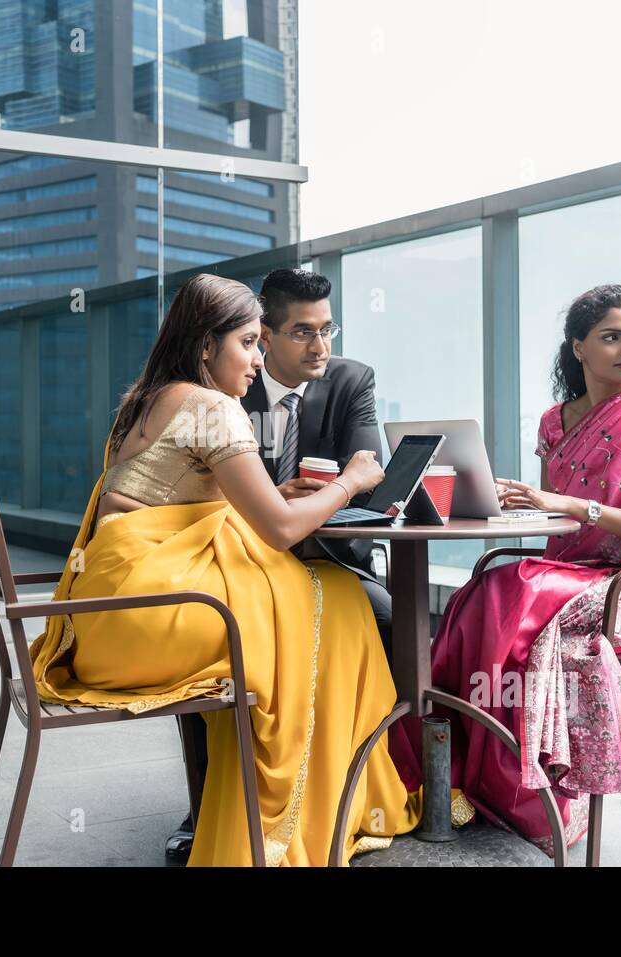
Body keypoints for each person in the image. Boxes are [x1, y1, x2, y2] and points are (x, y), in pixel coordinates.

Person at [28, 273, 422, 866]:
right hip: (152, 618)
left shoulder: (147, 397)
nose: (260, 361)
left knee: (318, 603)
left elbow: (178, 504)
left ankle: (263, 801)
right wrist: (351, 483)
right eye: (248, 344)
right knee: (340, 607)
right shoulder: (215, 407)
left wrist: (277, 492)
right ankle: (303, 817)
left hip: (108, 614)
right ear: (207, 345)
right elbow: (282, 531)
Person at [387, 283, 621, 857]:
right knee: (481, 593)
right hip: (568, 571)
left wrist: (566, 505)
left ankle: (523, 792)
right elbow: (564, 532)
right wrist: (516, 505)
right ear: (578, 347)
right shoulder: (555, 422)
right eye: (611, 337)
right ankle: (459, 775)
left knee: (513, 591)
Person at [167, 267, 393, 861]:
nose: (321, 347)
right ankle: (214, 805)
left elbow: (373, 484)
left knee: (391, 623)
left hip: (326, 561)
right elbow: (246, 499)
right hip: (237, 572)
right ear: (262, 335)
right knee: (236, 651)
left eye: (328, 330)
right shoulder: (220, 400)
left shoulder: (351, 381)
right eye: (303, 332)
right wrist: (288, 497)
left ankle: (351, 789)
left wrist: (299, 496)